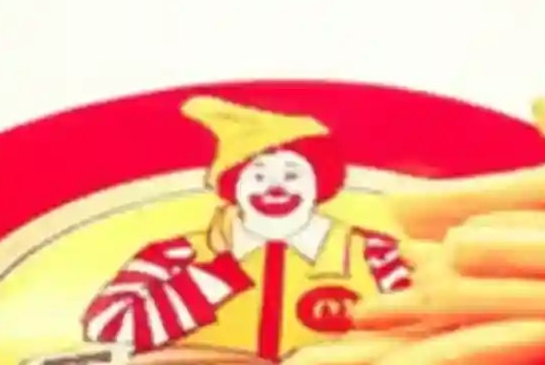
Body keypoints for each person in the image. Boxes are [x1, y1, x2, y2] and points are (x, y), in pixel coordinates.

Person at [82, 95, 411, 362]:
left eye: (292, 174)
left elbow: (428, 330)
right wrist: (214, 278)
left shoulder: (374, 253)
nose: (275, 188)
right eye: (259, 175)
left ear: (320, 184)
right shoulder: (176, 254)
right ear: (233, 187)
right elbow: (106, 326)